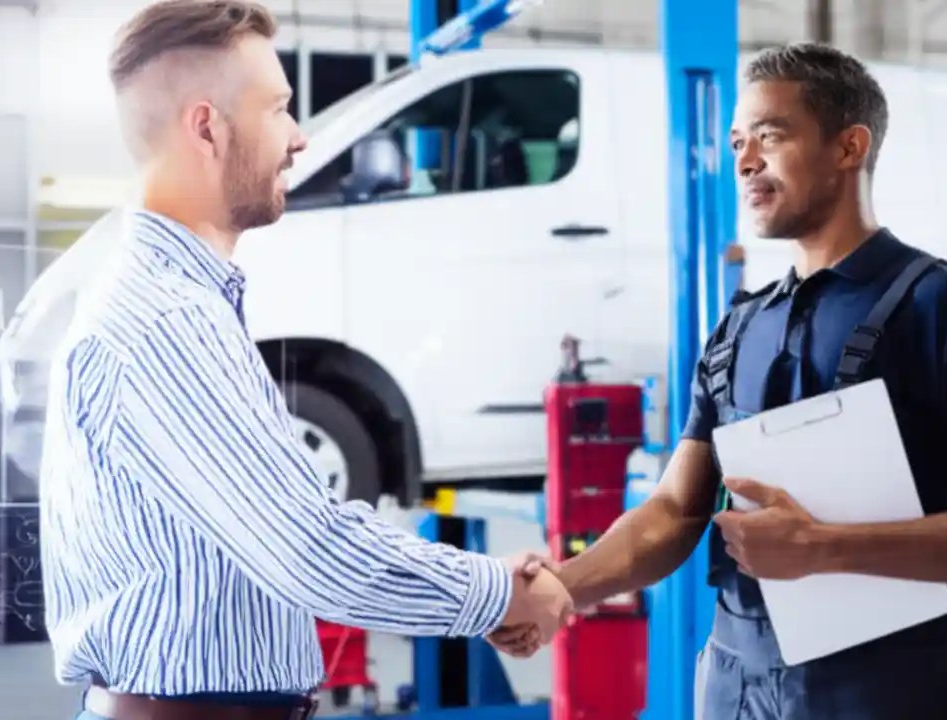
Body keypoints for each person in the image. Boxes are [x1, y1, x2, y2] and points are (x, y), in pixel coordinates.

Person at [490, 43, 947, 718]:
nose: (743, 161)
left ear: (849, 147)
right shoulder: (739, 329)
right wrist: (565, 587)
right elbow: (676, 511)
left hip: (880, 688)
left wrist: (826, 548)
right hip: (734, 682)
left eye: (771, 136)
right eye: (739, 142)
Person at [36, 2, 571, 719]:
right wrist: (496, 592)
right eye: (280, 109)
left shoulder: (178, 303)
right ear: (207, 127)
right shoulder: (165, 321)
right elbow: (308, 548)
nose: (298, 138)